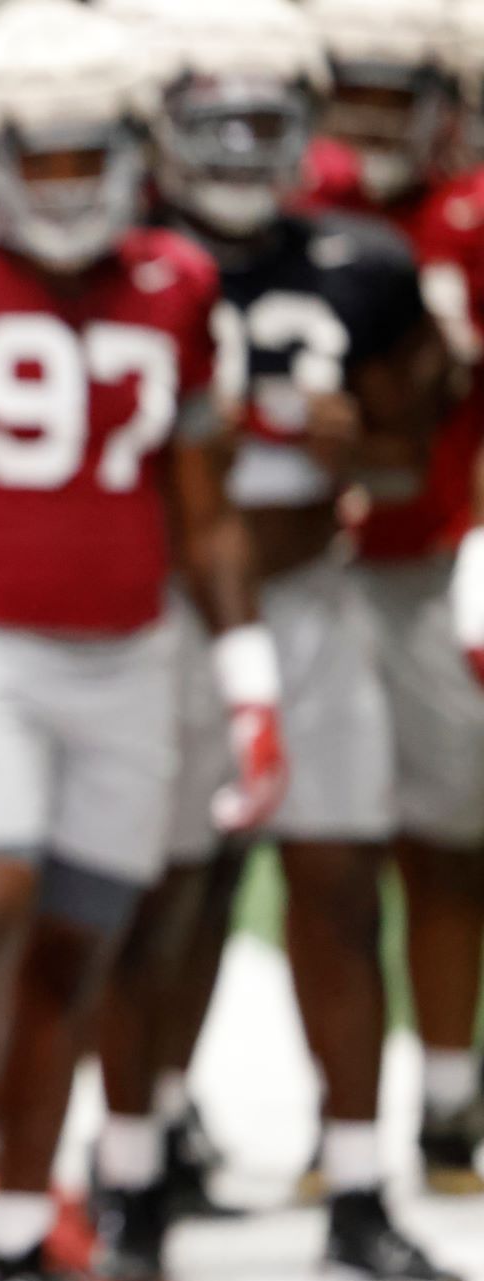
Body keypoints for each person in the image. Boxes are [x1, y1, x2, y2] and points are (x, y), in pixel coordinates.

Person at [0, 4, 284, 1281]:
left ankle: (23, 1237)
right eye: (47, 162)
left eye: (95, 159)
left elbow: (203, 504)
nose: (75, 189)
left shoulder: (177, 283)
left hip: (134, 658)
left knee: (76, 958)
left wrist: (250, 684)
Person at [90, 0, 465, 1281]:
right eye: (217, 121)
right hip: (164, 614)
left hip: (310, 603)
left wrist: (347, 438)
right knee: (154, 900)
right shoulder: (114, 256)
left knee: (340, 886)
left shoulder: (361, 259)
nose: (244, 145)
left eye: (269, 120)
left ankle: (360, 1182)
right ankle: (130, 1173)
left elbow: (410, 446)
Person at [300, 0, 484, 1198]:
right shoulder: (286, 201)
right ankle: (335, 1119)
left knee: (447, 840)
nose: (367, 124)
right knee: (319, 857)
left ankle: (448, 1102)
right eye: (349, 95)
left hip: (426, 561)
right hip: (297, 573)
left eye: (390, 97)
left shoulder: (465, 220)